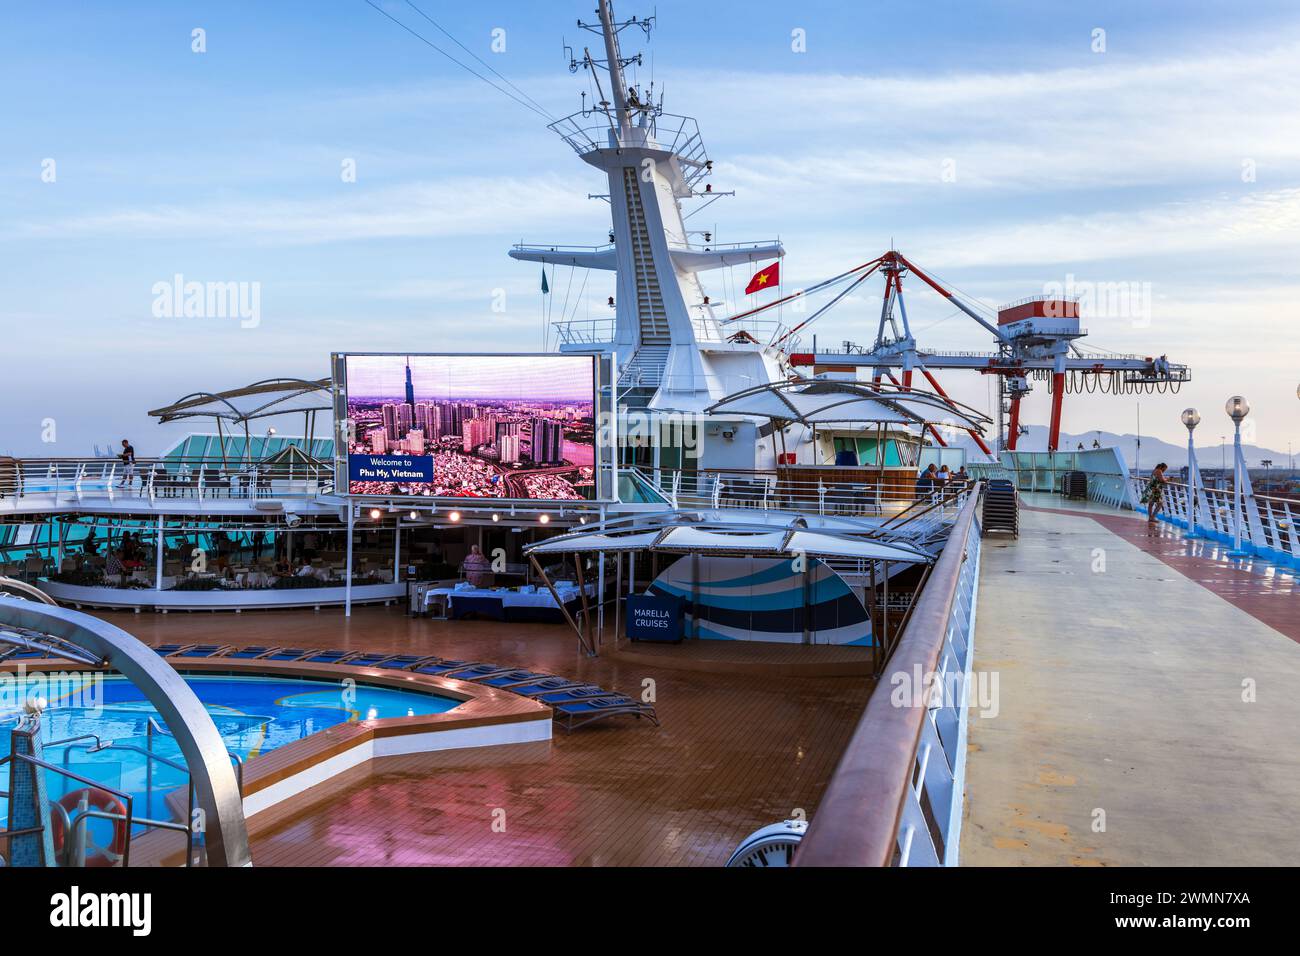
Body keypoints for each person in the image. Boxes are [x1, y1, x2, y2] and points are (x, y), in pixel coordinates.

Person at [1142, 462, 1169, 528]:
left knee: (1151, 504)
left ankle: (1150, 518)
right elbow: (1162, 480)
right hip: (1156, 490)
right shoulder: (1159, 471)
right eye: (1165, 469)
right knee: (1160, 504)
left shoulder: (1154, 470)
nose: (1164, 470)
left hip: (1152, 489)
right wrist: (1168, 479)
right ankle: (1152, 517)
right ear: (1162, 467)